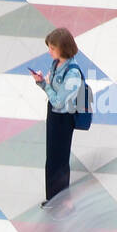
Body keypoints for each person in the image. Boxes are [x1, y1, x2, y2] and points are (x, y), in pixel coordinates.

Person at [31, 28, 86, 207]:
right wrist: (42, 82)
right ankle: (53, 198)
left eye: (53, 48)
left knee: (60, 160)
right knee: (52, 158)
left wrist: (46, 85)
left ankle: (63, 202)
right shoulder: (56, 63)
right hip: (53, 115)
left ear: (64, 48)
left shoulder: (72, 74)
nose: (49, 51)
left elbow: (58, 101)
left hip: (63, 119)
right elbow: (53, 92)